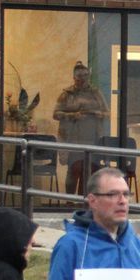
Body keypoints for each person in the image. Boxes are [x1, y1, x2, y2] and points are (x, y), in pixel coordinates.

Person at [53, 61, 110, 195]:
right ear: (74, 78)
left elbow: (107, 113)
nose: (83, 80)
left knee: (90, 171)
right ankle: (70, 201)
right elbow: (55, 114)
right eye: (79, 77)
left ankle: (85, 200)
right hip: (73, 139)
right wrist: (73, 115)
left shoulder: (96, 93)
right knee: (74, 170)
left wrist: (98, 114)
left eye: (85, 76)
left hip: (93, 138)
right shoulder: (67, 94)